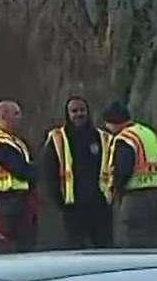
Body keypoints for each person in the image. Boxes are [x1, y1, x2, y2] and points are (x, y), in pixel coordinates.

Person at [41, 95, 113, 248]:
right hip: (72, 206)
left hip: (100, 204)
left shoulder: (103, 137)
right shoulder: (57, 138)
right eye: (74, 111)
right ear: (67, 114)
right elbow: (49, 172)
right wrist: (59, 202)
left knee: (105, 251)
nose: (79, 114)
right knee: (76, 250)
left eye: (82, 110)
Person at [102, 100, 157, 246]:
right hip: (156, 194)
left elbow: (122, 170)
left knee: (131, 244)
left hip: (135, 199)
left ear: (112, 122)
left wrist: (112, 194)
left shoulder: (124, 138)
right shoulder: (149, 133)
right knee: (153, 243)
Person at [0, 99, 36, 253]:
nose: (20, 117)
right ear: (3, 117)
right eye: (15, 113)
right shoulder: (0, 142)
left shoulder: (12, 140)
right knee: (9, 247)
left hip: (13, 201)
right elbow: (22, 171)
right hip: (4, 203)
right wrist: (37, 170)